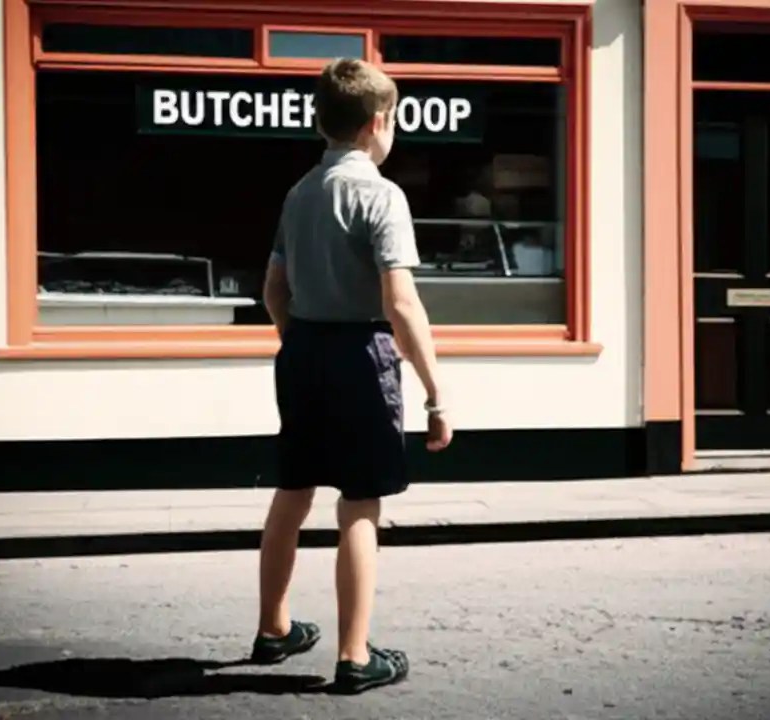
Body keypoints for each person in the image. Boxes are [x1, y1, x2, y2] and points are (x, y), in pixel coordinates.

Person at [250, 57, 453, 694]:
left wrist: (299, 340)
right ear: (378, 123)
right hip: (361, 355)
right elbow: (401, 304)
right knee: (360, 503)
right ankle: (354, 654)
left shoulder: (300, 192)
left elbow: (272, 290)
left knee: (294, 489)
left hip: (303, 349)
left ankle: (274, 629)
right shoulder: (381, 194)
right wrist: (436, 392)